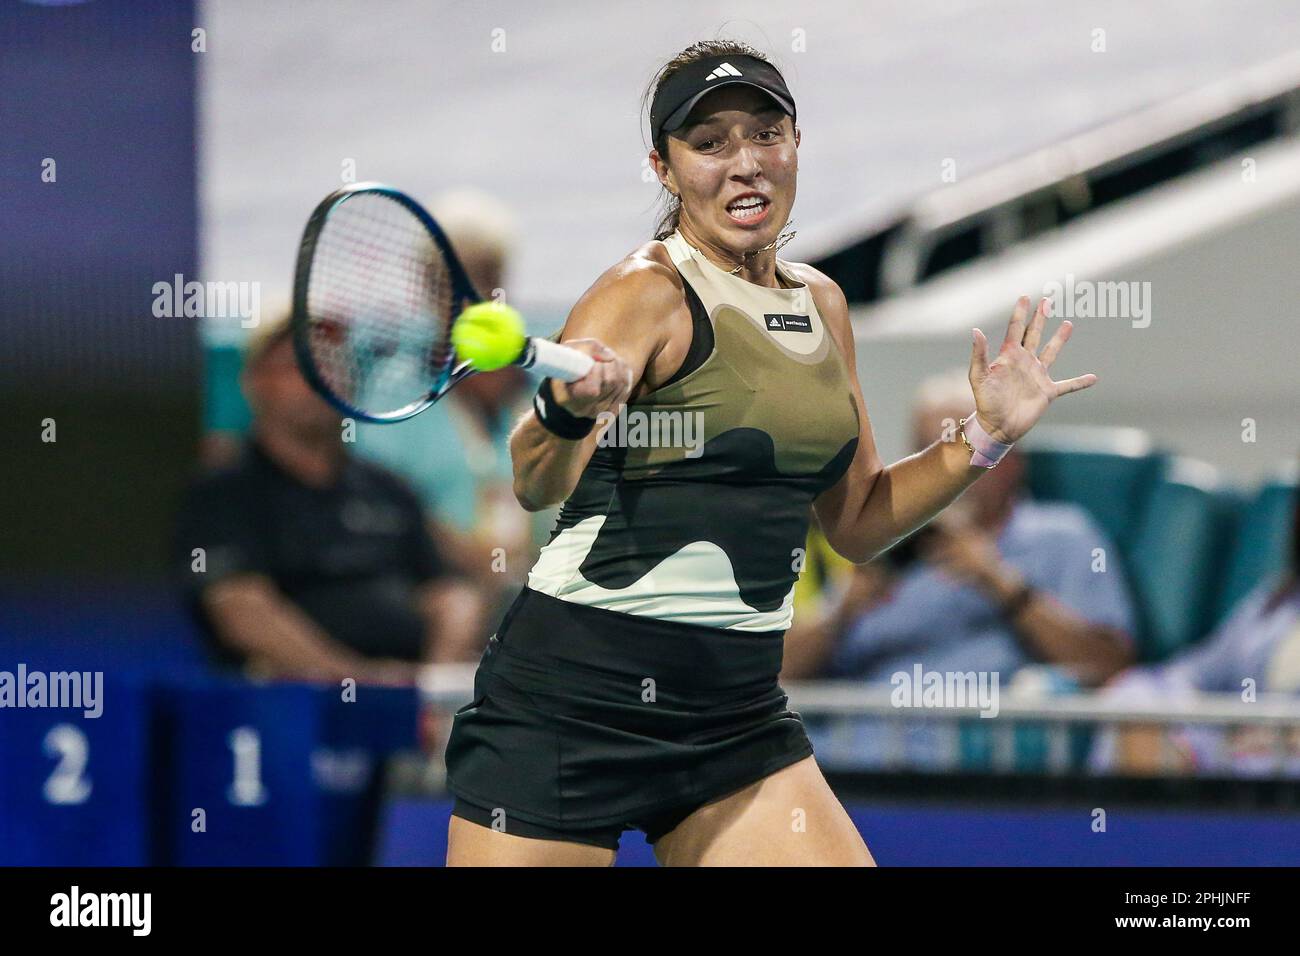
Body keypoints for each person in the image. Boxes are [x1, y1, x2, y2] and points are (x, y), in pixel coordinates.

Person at [443, 39, 1097, 867]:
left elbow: (857, 521)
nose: (744, 163)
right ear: (664, 168)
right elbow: (535, 481)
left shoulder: (822, 302)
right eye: (709, 143)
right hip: (568, 708)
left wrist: (986, 435)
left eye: (764, 133)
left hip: (733, 720)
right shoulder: (640, 291)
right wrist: (568, 413)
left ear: (795, 143)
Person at [174, 315, 485, 685]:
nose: (320, 377)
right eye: (298, 364)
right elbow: (241, 610)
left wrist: (435, 684)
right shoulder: (222, 494)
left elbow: (451, 594)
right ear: (255, 382)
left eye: (333, 363)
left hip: (413, 703)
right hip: (286, 707)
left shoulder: (389, 488)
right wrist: (358, 682)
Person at [782, 369, 1137, 689]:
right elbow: (774, 680)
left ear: (1012, 460)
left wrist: (999, 583)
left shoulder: (1061, 537)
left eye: (969, 447)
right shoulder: (878, 546)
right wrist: (841, 613)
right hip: (855, 747)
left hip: (982, 750)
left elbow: (1108, 664)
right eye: (928, 451)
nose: (948, 469)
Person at [354, 190, 540, 618]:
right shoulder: (391, 394)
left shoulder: (548, 382)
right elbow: (387, 506)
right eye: (448, 275)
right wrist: (480, 569)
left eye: (484, 272)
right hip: (434, 590)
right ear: (426, 286)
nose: (468, 290)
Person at [1092, 486, 1300, 776]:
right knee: (1137, 704)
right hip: (1230, 760)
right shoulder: (1271, 605)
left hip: (1279, 778)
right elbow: (1189, 676)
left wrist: (1278, 735)